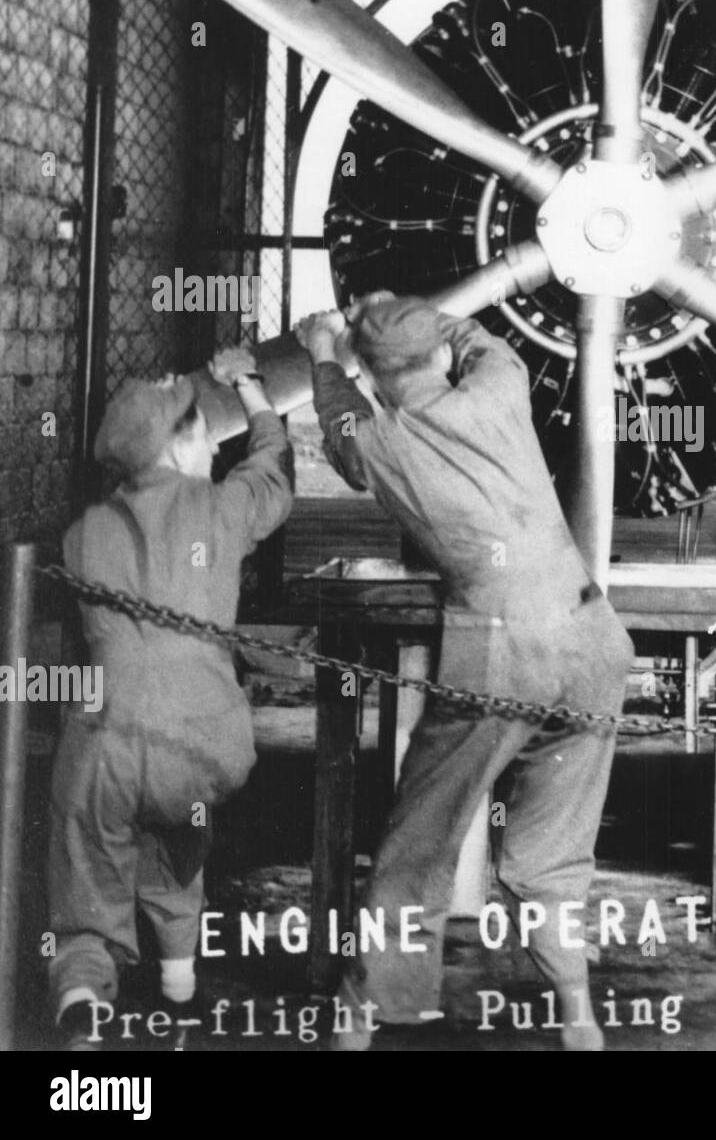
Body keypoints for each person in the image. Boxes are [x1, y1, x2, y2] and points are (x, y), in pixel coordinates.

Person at [296, 293, 635, 1051]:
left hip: (501, 656)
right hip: (591, 639)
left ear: (377, 379)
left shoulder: (381, 445)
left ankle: (363, 1011)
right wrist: (410, 314)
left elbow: (342, 424)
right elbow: (474, 338)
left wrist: (327, 350)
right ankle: (578, 1016)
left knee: (422, 836)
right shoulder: (500, 382)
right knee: (555, 849)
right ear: (442, 357)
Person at [50, 350, 293, 1049]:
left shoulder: (81, 534)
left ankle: (83, 986)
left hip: (109, 739)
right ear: (184, 444)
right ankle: (180, 976)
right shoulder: (224, 508)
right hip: (205, 745)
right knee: (179, 825)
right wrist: (250, 387)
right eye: (201, 434)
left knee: (91, 854)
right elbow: (273, 464)